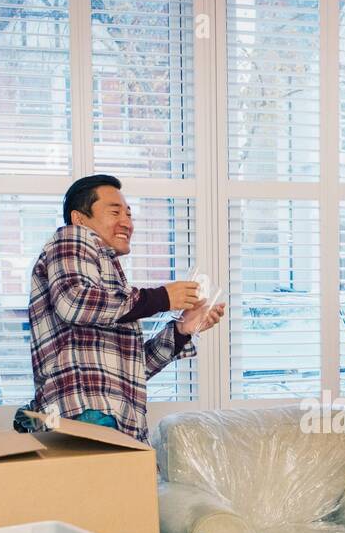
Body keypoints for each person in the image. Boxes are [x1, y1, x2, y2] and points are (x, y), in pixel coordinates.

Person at [22, 174, 224, 441]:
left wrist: (182, 330)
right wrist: (161, 298)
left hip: (111, 416)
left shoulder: (109, 278)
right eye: (115, 212)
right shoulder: (71, 238)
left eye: (129, 214)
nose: (126, 222)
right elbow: (74, 303)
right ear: (79, 219)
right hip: (87, 411)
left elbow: (134, 370)